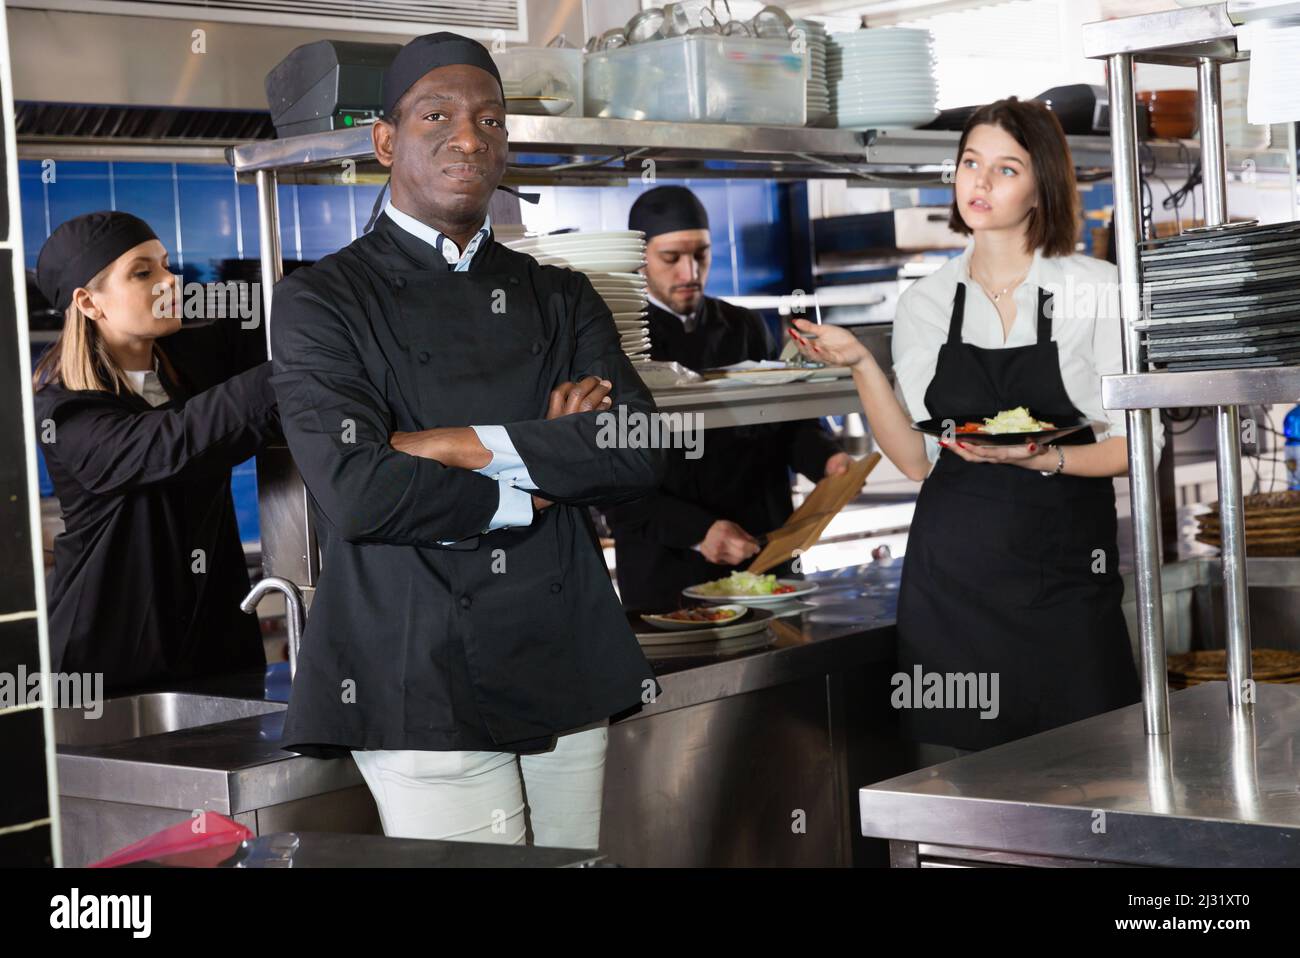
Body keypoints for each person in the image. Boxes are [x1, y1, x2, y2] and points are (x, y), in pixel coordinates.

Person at [269, 32, 666, 849]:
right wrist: (542, 471)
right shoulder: (322, 300)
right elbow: (358, 489)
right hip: (417, 669)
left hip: (562, 657)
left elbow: (635, 448)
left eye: (490, 120)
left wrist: (447, 444)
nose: (469, 137)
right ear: (386, 141)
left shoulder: (561, 292)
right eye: (437, 115)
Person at [790, 98, 1163, 759]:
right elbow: (915, 459)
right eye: (970, 163)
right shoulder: (926, 301)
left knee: (1087, 791)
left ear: (1043, 183)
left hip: (1066, 591)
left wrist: (1044, 461)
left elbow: (1141, 445)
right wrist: (858, 366)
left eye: (1006, 168)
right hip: (952, 589)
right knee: (957, 805)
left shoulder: (1097, 290)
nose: (980, 184)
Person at [32, 211, 280, 693]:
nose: (171, 281)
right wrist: (289, 372)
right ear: (88, 301)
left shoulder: (194, 360)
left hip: (216, 647)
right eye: (143, 272)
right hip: (107, 665)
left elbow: (292, 323)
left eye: (166, 265)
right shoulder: (66, 412)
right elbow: (168, 443)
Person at [606, 185, 851, 610]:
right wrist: (698, 532)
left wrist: (827, 459)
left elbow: (790, 426)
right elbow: (609, 476)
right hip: (669, 569)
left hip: (764, 554)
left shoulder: (746, 326)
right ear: (639, 260)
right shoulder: (617, 340)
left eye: (701, 254)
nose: (690, 272)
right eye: (671, 258)